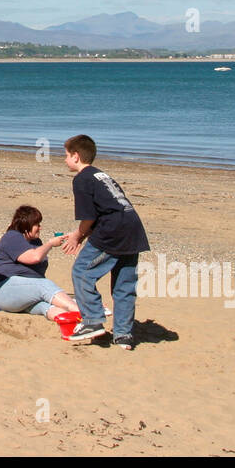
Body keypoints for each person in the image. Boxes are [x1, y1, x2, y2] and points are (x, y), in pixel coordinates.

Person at [60, 135, 151, 349]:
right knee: (124, 284)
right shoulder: (101, 175)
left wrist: (76, 236)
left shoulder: (82, 178)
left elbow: (89, 217)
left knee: (82, 272)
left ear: (76, 156)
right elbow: (105, 209)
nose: (64, 160)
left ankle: (92, 321)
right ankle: (123, 334)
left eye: (65, 155)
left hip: (114, 230)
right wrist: (80, 235)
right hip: (133, 228)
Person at [0, 205, 79, 322]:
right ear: (26, 224)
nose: (40, 228)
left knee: (46, 306)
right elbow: (34, 257)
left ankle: (71, 322)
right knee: (44, 285)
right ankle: (82, 312)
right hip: (4, 290)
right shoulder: (12, 237)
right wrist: (50, 244)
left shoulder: (36, 242)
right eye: (37, 224)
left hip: (23, 294)